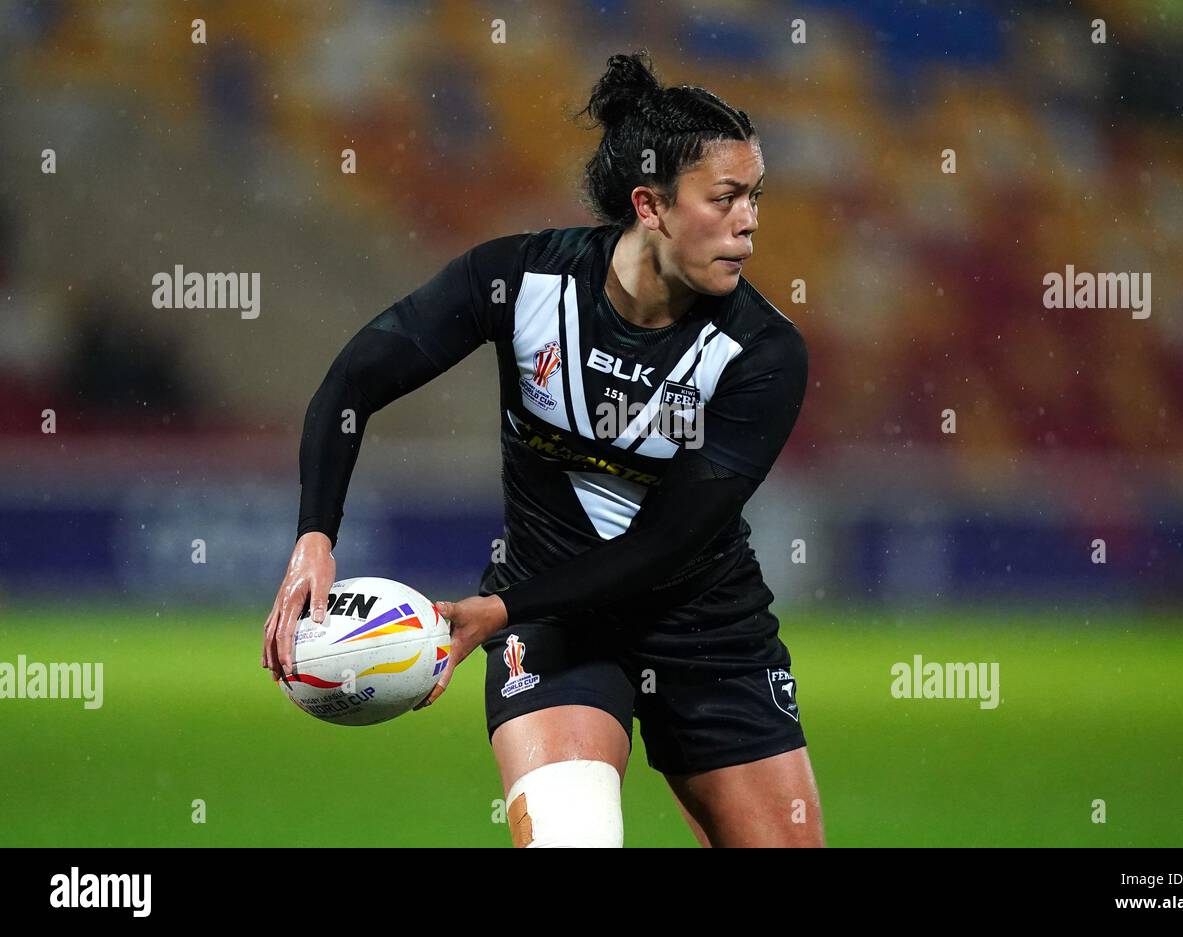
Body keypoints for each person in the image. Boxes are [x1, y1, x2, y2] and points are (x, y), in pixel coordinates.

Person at [262, 50, 823, 848]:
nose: (750, 220)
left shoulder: (763, 352)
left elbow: (667, 543)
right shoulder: (519, 281)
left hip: (706, 631)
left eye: (755, 198)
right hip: (554, 628)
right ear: (651, 205)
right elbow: (352, 383)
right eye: (726, 197)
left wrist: (492, 611)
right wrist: (314, 534)